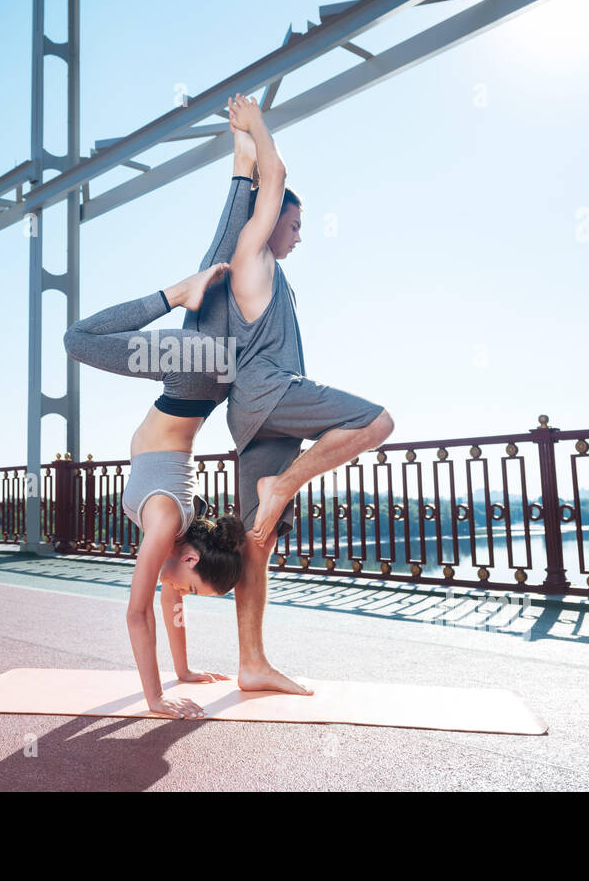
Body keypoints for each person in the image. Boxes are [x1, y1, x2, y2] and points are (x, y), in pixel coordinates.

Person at [62, 124, 256, 719]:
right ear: (192, 559)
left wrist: (184, 674)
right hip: (193, 378)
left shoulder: (173, 536)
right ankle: (179, 288)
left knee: (223, 264)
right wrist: (155, 701)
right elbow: (136, 610)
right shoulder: (167, 521)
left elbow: (167, 602)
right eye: (194, 587)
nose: (187, 596)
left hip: (201, 380)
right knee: (78, 338)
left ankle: (244, 169)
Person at [223, 93, 396, 696]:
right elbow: (276, 176)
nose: (297, 237)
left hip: (257, 417)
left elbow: (250, 177)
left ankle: (251, 662)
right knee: (377, 422)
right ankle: (284, 484)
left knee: (255, 541)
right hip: (271, 395)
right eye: (293, 226)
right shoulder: (253, 259)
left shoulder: (265, 270)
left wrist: (241, 141)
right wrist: (259, 124)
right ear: (272, 223)